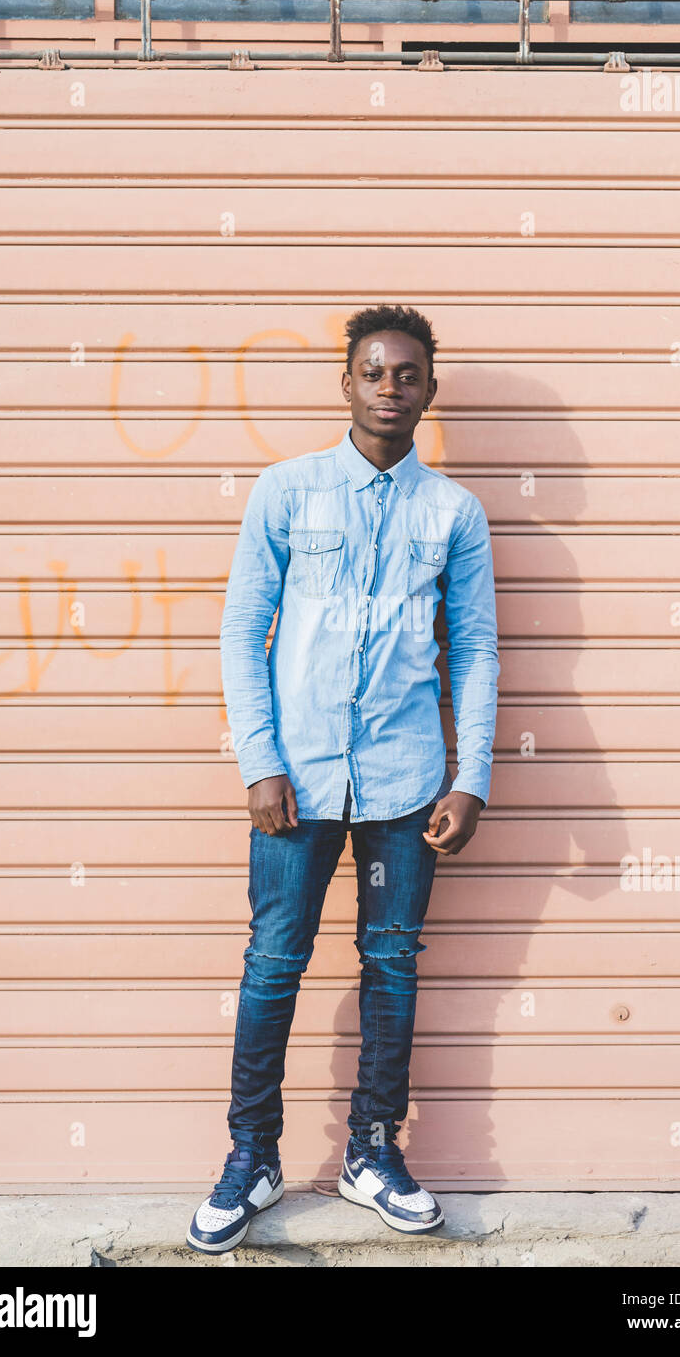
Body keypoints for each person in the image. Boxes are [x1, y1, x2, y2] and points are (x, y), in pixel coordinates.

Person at [187, 303, 499, 1253]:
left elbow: (474, 648)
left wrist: (469, 776)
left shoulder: (451, 510)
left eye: (408, 374)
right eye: (374, 372)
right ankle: (253, 1156)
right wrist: (260, 761)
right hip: (297, 783)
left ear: (429, 391)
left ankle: (372, 1151)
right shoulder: (287, 492)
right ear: (347, 382)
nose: (390, 388)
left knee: (392, 962)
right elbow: (243, 633)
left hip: (406, 783)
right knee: (272, 963)